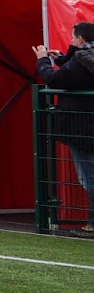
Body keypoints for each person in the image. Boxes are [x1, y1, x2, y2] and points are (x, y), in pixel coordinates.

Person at [37, 23, 94, 234]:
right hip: (86, 124)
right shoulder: (86, 56)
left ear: (80, 40)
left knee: (88, 175)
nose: (71, 40)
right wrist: (62, 57)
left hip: (81, 127)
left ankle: (93, 223)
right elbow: (78, 68)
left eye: (73, 38)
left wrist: (43, 59)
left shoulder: (81, 60)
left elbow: (53, 78)